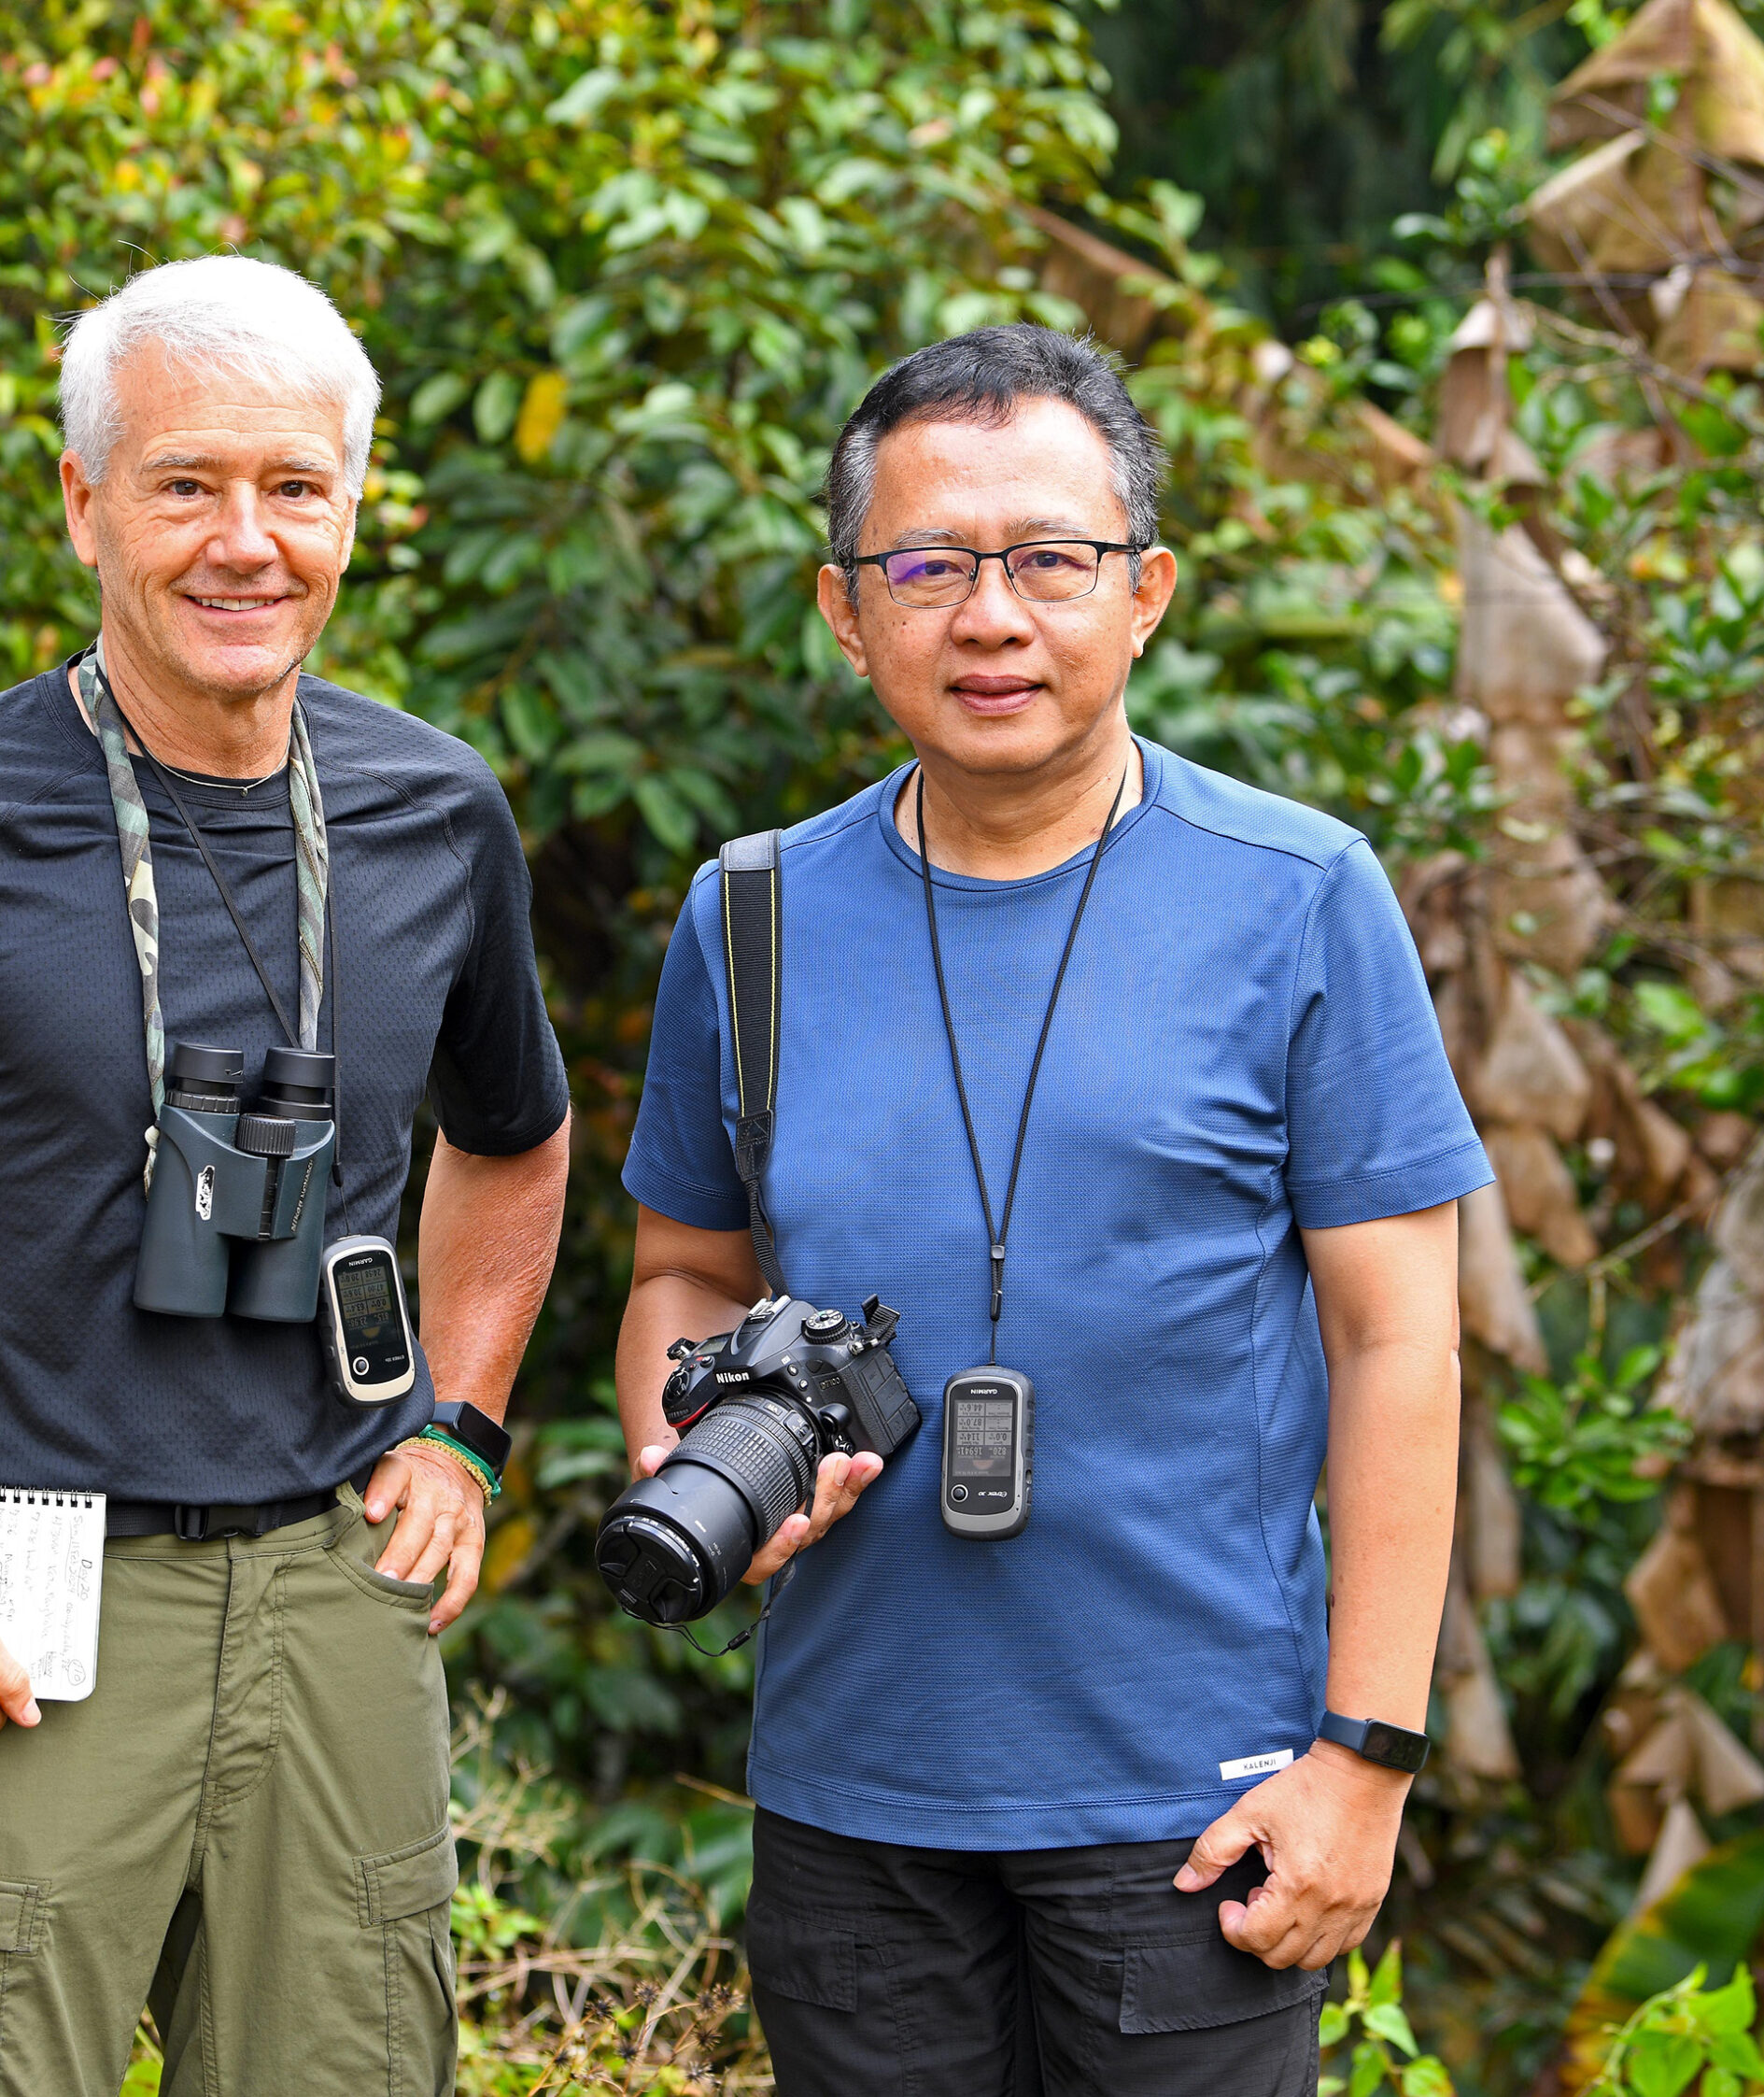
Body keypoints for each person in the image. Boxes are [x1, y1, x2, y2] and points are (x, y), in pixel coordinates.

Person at [0, 255, 570, 2097]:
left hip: (332, 1588)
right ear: (83, 503)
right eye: (184, 484)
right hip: (7, 1601)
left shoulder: (434, 810)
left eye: (292, 487)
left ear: (354, 505)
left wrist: (457, 1427)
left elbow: (515, 1140)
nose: (246, 542)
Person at [614, 325, 1488, 2094]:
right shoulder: (754, 916)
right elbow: (681, 1270)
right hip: (856, 1793)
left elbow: (1400, 1335)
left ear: (1146, 591)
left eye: (1050, 561)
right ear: (845, 610)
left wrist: (1367, 1759)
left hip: (1200, 1800)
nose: (991, 616)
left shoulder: (1301, 895)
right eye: (926, 566)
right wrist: (684, 1459)